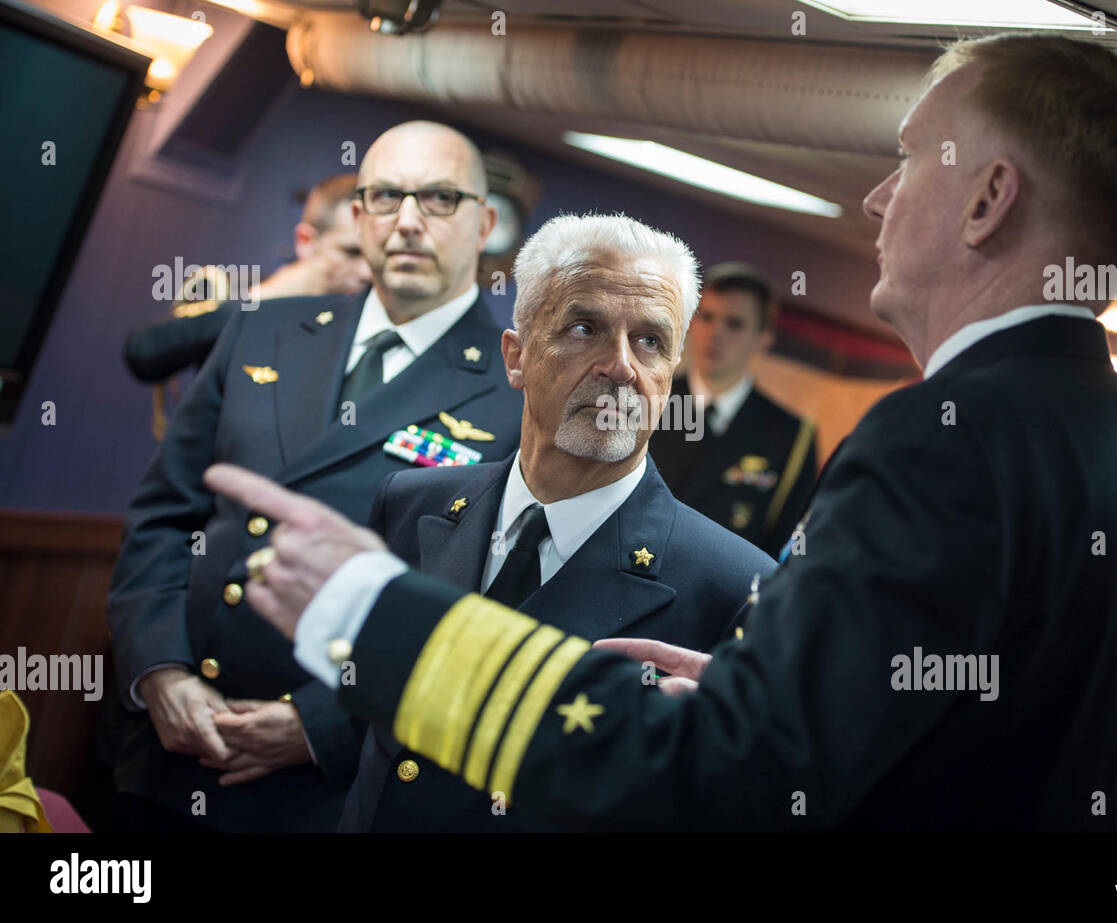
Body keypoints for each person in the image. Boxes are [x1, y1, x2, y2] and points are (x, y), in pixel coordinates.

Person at [207, 33, 1117, 831]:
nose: (877, 196)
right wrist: (757, 697)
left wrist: (370, 609)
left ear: (987, 199)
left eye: (906, 157)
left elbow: (731, 788)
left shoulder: (946, 436)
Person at [105, 121, 524, 832]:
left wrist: (323, 725)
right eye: (386, 196)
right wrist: (161, 670)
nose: (409, 221)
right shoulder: (265, 328)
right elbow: (164, 515)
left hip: (320, 788)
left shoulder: (518, 392)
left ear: (484, 223)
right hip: (165, 748)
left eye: (441, 198)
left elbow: (490, 607)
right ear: (358, 216)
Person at [334, 214, 776, 832]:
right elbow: (360, 718)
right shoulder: (412, 502)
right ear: (516, 357)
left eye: (650, 341)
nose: (620, 366)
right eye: (584, 327)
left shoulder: (735, 586)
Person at [122, 174, 370, 383]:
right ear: (306, 242)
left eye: (372, 257)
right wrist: (266, 299)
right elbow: (144, 353)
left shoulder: (365, 318)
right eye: (351, 252)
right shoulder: (230, 288)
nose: (366, 272)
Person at [650, 262, 818, 557]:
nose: (716, 333)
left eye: (734, 323)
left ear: (764, 337)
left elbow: (785, 543)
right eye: (707, 317)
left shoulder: (792, 436)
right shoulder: (650, 399)